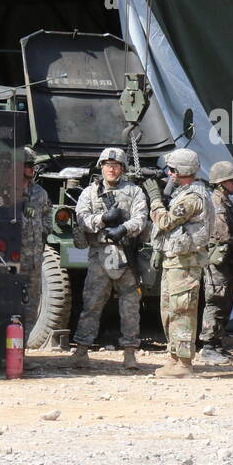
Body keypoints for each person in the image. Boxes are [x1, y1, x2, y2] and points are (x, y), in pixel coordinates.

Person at [68, 147, 149, 370]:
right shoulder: (90, 192)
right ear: (101, 167)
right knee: (91, 304)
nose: (111, 169)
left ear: (122, 168)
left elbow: (141, 218)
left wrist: (123, 228)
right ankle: (82, 351)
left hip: (126, 255)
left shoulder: (134, 192)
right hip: (100, 255)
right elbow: (82, 219)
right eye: (107, 165)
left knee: (130, 306)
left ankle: (130, 353)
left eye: (116, 165)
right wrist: (103, 219)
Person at [144, 148, 214, 378]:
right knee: (169, 310)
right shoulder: (182, 194)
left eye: (172, 170)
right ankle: (175, 357)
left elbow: (165, 220)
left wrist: (155, 200)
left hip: (185, 263)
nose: (170, 174)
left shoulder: (193, 198)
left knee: (183, 310)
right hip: (174, 260)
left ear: (182, 170)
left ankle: (184, 363)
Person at [198, 160, 233, 365]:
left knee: (227, 302)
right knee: (215, 302)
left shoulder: (225, 201)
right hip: (218, 261)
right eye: (232, 181)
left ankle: (217, 344)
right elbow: (222, 234)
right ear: (222, 183)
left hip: (226, 262)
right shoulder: (216, 202)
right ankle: (208, 346)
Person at [19, 151, 54, 348]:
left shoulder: (40, 193)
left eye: (33, 166)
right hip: (12, 263)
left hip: (34, 261)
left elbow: (47, 217)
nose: (32, 169)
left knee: (31, 308)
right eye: (28, 165)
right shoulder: (6, 191)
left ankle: (20, 349)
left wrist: (43, 231)